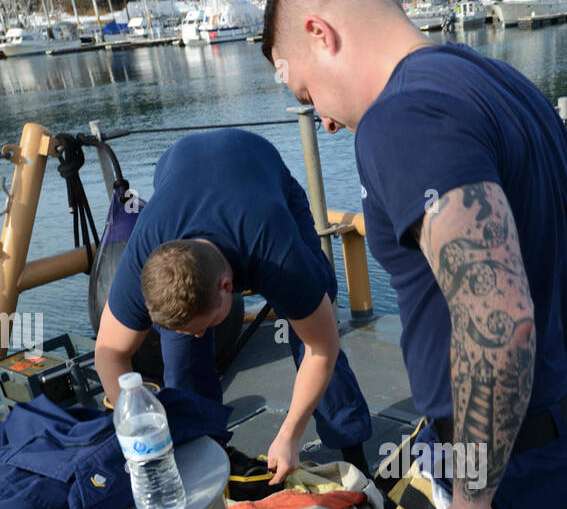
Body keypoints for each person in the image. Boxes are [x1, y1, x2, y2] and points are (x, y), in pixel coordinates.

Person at [262, 0, 567, 509]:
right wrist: (561, 343)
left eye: (307, 91)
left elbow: (500, 318)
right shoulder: (500, 80)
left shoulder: (401, 121)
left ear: (320, 34)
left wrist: (474, 498)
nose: (326, 121)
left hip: (508, 476)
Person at [94, 128, 372, 481]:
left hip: (260, 174)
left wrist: (289, 436)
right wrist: (137, 426)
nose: (200, 337)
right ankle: (208, 455)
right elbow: (108, 353)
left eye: (206, 327)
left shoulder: (278, 255)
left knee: (314, 321)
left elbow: (323, 348)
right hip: (181, 167)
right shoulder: (142, 259)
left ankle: (354, 450)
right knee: (182, 360)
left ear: (230, 287)